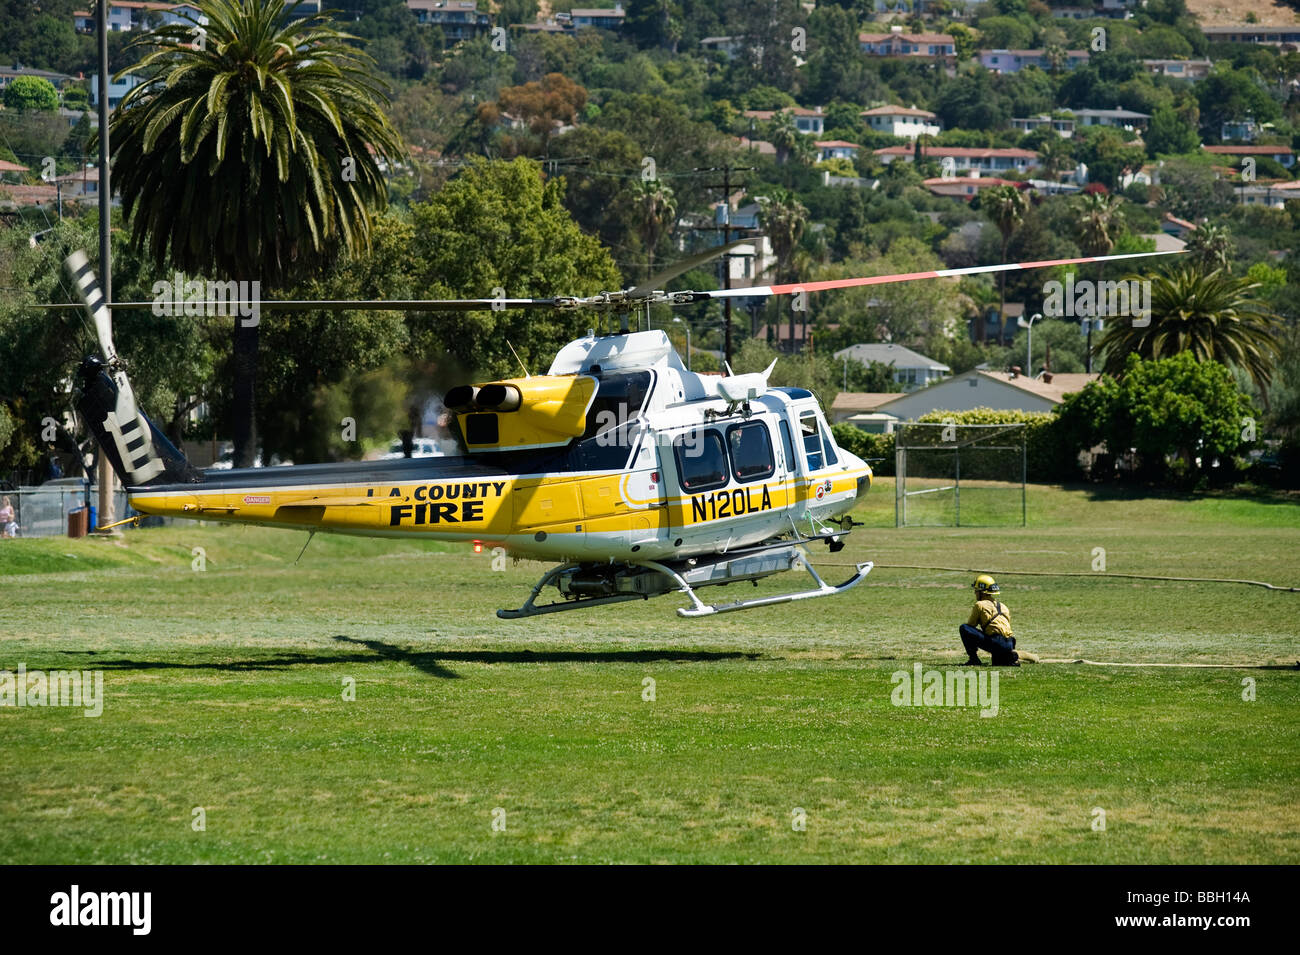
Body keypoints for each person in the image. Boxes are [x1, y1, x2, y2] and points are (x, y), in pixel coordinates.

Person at [960, 574, 1018, 666]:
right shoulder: (1003, 606)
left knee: (964, 628)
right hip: (1009, 643)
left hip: (996, 642)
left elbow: (971, 625)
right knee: (998, 663)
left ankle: (974, 659)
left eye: (976, 590)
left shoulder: (980, 605)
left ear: (982, 592)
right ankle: (1008, 655)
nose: (975, 593)